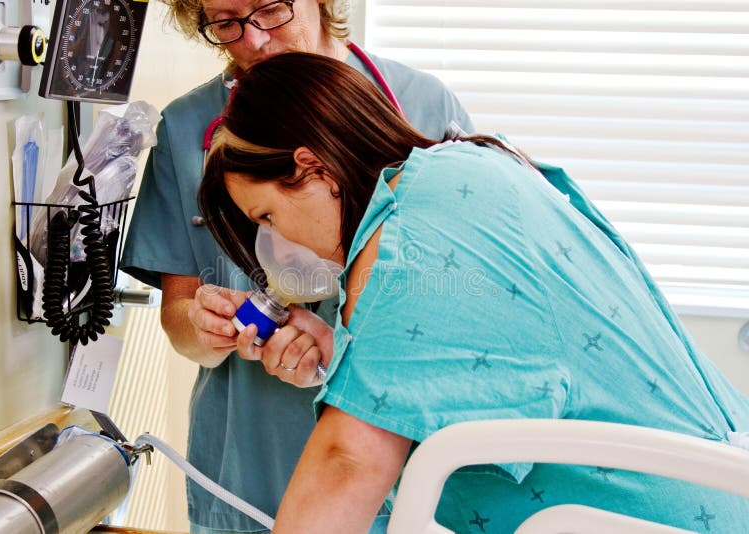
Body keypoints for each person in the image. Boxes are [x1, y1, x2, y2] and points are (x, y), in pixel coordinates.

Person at [198, 52, 749, 533]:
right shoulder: (468, 172)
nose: (276, 244)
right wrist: (347, 357)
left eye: (266, 216)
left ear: (313, 168)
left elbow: (349, 461)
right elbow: (504, 362)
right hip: (711, 489)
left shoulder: (410, 237)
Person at [120, 0, 474, 531]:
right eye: (226, 22)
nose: (254, 40)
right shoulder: (186, 129)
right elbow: (179, 317)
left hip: (395, 460)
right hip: (249, 464)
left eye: (269, 9)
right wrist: (202, 323)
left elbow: (469, 310)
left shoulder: (421, 106)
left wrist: (342, 351)